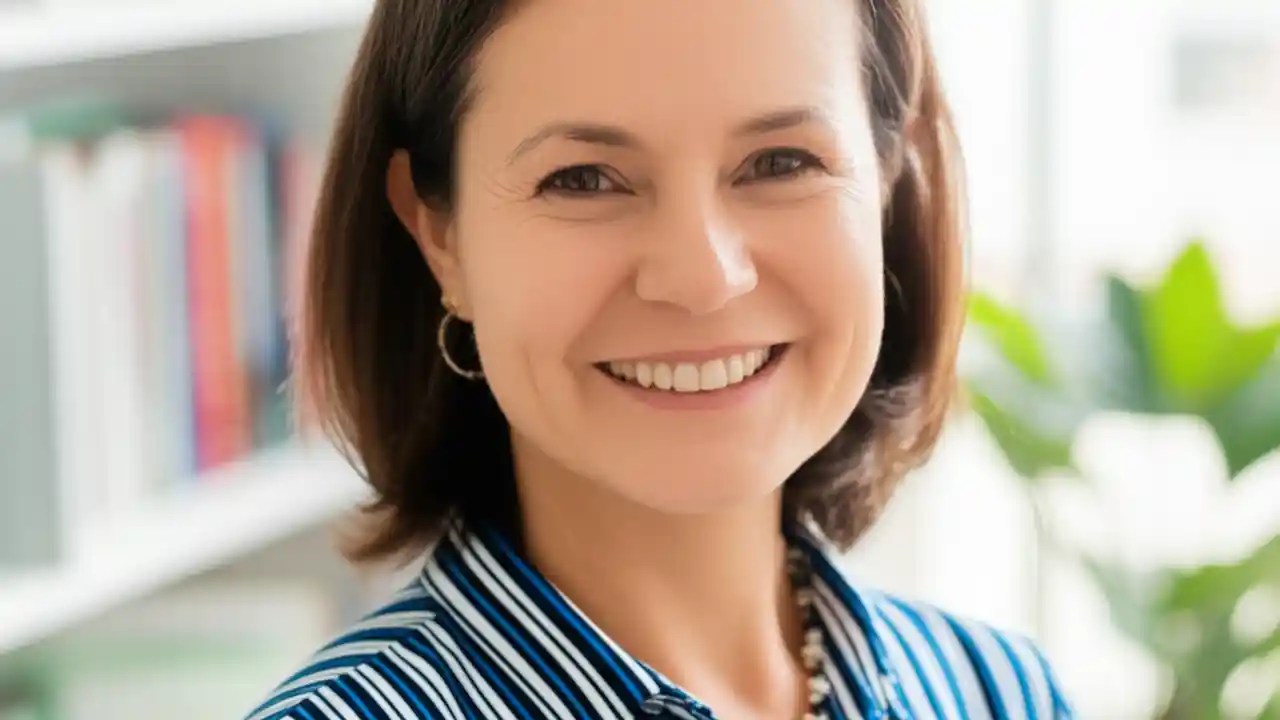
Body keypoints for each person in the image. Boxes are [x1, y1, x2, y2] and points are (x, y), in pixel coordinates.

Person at [247, 0, 1075, 717]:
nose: (703, 278)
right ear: (440, 233)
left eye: (782, 162)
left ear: (892, 176)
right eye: (583, 179)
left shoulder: (1002, 692)